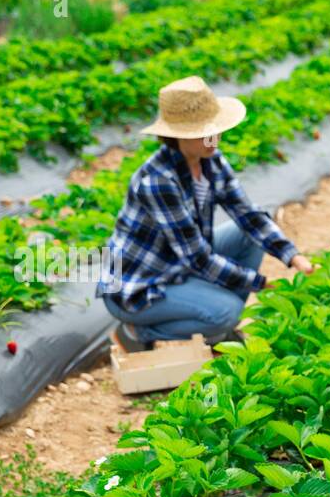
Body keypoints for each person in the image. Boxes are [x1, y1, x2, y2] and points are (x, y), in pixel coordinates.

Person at [97, 75, 317, 352]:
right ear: (177, 136)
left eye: (214, 128)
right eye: (202, 132)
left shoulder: (211, 160)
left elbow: (247, 214)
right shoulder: (158, 181)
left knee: (245, 234)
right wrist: (261, 283)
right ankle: (137, 331)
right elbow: (198, 258)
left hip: (179, 265)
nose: (213, 137)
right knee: (227, 312)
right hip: (138, 285)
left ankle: (217, 328)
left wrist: (293, 256)